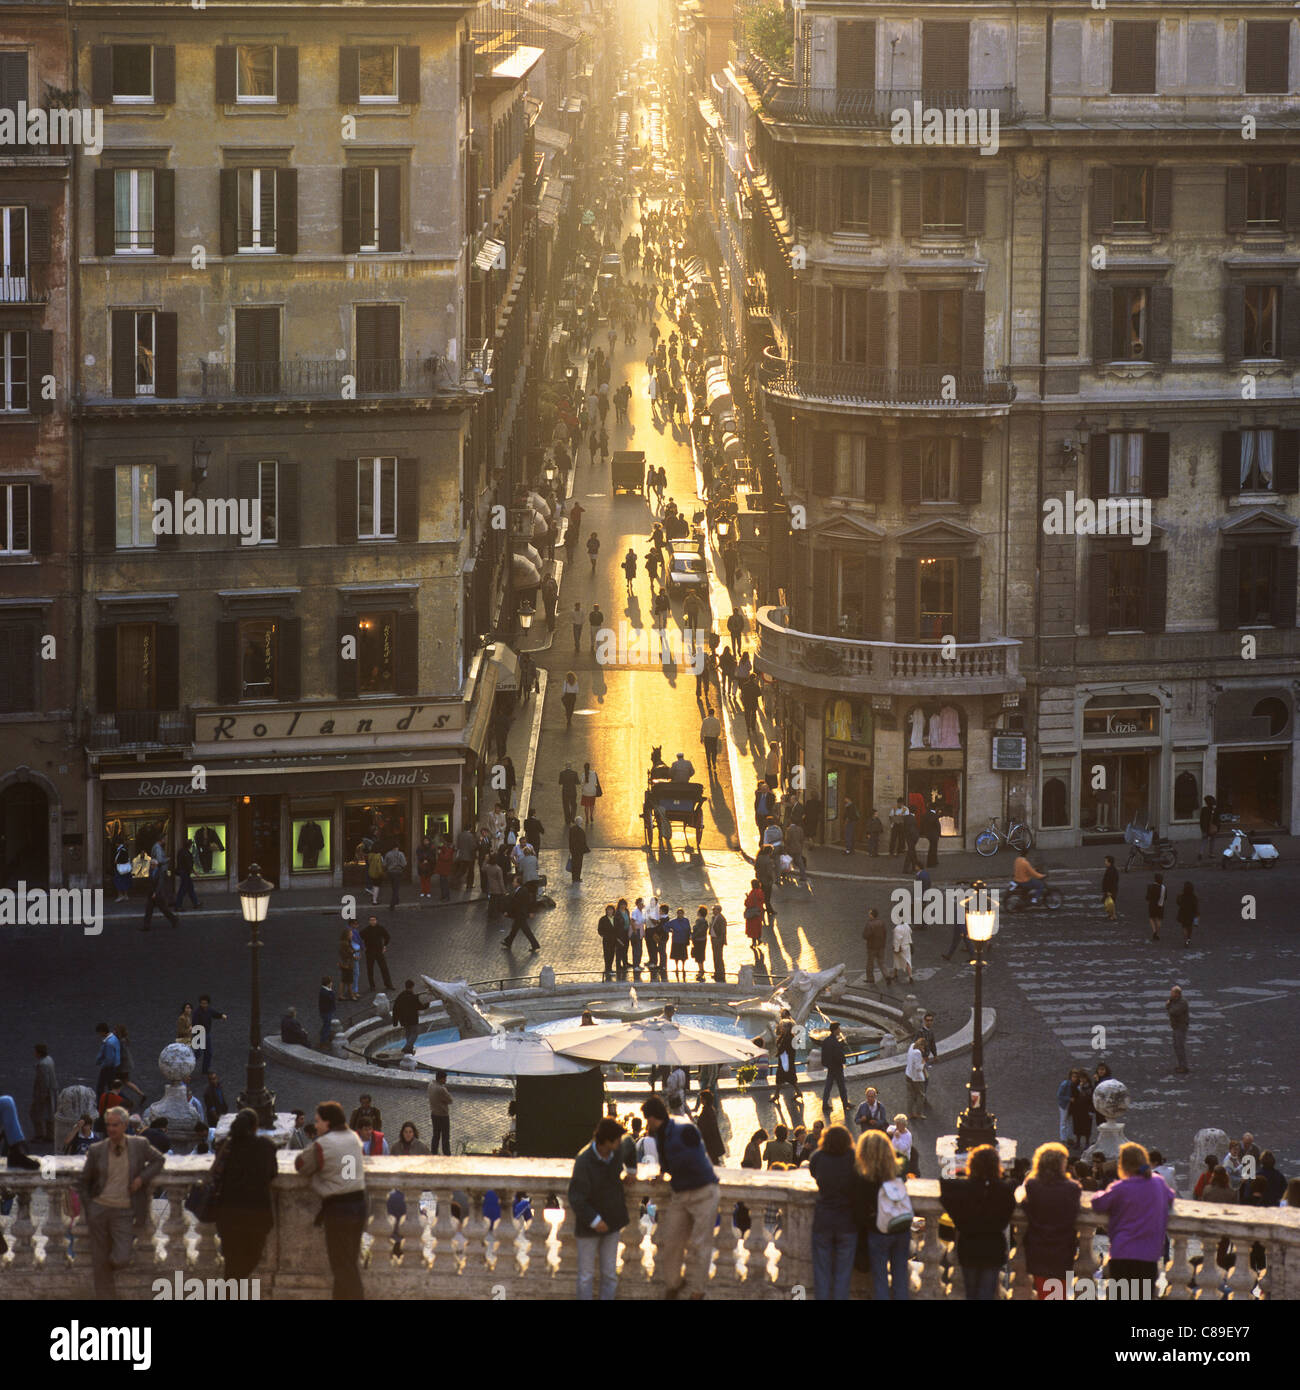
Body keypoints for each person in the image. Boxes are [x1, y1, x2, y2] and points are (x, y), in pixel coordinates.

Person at [78, 1106, 167, 1299]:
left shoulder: (139, 1145)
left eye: (115, 1125)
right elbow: (84, 1181)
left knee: (122, 1257)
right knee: (99, 1260)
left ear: (125, 1125)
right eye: (108, 1125)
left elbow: (159, 1161)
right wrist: (90, 1207)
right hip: (100, 1210)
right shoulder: (97, 1149)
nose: (111, 1129)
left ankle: (106, 1274)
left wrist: (141, 1179)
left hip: (125, 1211)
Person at [641, 1095, 719, 1300]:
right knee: (671, 1240)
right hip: (681, 1192)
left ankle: (698, 1291)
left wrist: (671, 1169)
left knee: (700, 1243)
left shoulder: (684, 1128)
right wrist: (661, 1173)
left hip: (704, 1192)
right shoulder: (660, 1133)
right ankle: (674, 1283)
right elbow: (668, 1161)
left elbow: (694, 1157)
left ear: (650, 1118)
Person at [293, 1101, 367, 1300]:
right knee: (349, 1262)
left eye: (318, 1121)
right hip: (359, 1205)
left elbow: (301, 1165)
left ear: (327, 1122)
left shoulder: (324, 1143)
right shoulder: (354, 1138)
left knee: (342, 1267)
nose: (315, 1125)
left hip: (339, 1210)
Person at [1089, 1141, 1175, 1299]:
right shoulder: (1158, 1182)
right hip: (1149, 1256)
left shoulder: (1121, 1187)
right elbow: (1171, 1197)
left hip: (1123, 1254)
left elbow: (1097, 1203)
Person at [939, 1144, 1017, 1300]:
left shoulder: (963, 1188)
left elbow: (943, 1182)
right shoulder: (1004, 1189)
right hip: (993, 1247)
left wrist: (960, 1172)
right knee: (986, 1294)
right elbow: (1013, 1183)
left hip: (969, 1247)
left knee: (971, 1293)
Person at [210, 1107, 277, 1280]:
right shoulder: (266, 1146)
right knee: (249, 1260)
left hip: (228, 1212)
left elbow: (216, 1174)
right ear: (256, 1126)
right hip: (256, 1214)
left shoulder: (224, 1146)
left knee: (232, 1261)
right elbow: (272, 1173)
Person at [568, 1117, 629, 1301]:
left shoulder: (618, 1150)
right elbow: (576, 1198)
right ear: (607, 1141)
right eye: (617, 1139)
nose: (620, 1142)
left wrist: (632, 1170)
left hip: (612, 1222)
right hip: (589, 1226)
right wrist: (595, 1220)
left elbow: (630, 1146)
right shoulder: (584, 1161)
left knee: (609, 1274)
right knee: (586, 1276)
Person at [853, 1128, 911, 1301]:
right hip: (901, 1228)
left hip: (878, 1232)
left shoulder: (863, 1178)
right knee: (901, 1278)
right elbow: (904, 1159)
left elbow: (860, 1212)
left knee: (880, 1280)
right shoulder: (897, 1172)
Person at [1019, 1141, 1082, 1298]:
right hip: (1063, 1248)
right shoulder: (1072, 1188)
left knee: (1043, 1292)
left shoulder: (1032, 1186)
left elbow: (1025, 1206)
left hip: (1038, 1246)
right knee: (1058, 1292)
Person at [809, 1124, 857, 1301]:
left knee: (821, 1273)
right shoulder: (853, 1157)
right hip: (847, 1222)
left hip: (823, 1219)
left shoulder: (818, 1157)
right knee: (843, 1274)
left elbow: (813, 1173)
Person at [819, 1021, 849, 1118]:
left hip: (831, 1067)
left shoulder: (827, 1040)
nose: (840, 1030)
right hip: (836, 1067)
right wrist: (843, 1060)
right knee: (841, 1086)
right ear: (835, 1030)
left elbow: (823, 1054)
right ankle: (845, 1104)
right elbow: (837, 1055)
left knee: (828, 1086)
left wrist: (826, 1064)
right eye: (839, 1029)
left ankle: (825, 1104)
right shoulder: (834, 1041)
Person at [30, 1042, 57, 1145]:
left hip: (44, 1093)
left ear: (38, 1053)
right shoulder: (49, 1059)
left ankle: (39, 1134)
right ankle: (50, 1135)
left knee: (35, 1113)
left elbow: (44, 1082)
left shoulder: (42, 1065)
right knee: (50, 1114)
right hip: (51, 1091)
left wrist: (42, 1096)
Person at [361, 915, 394, 992]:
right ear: (369, 921)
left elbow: (387, 937)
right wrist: (363, 947)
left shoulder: (380, 928)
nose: (372, 921)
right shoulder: (366, 930)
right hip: (370, 952)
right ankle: (372, 986)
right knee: (370, 969)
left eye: (374, 920)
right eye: (371, 920)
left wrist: (385, 946)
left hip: (379, 951)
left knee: (384, 968)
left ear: (376, 921)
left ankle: (388, 984)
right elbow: (359, 938)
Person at [695, 1089, 726, 1166]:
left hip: (709, 1143)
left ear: (705, 1100)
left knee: (712, 1162)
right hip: (711, 1142)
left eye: (702, 1098)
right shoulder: (709, 1109)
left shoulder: (707, 1111)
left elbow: (705, 1127)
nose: (701, 1100)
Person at [392, 979, 422, 1054]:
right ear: (412, 987)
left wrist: (395, 1021)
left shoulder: (400, 996)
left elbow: (395, 1009)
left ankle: (410, 1049)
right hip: (412, 1019)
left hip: (403, 1019)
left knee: (408, 1033)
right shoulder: (413, 996)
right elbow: (420, 1006)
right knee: (414, 1033)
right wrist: (428, 1004)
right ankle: (407, 1047)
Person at [427, 1070, 453, 1156]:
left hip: (434, 1114)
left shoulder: (431, 1085)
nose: (446, 1080)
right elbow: (450, 1100)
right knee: (445, 1137)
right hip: (443, 1115)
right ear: (441, 1079)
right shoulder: (441, 1089)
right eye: (445, 1079)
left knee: (436, 1135)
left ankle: (434, 1152)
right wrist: (446, 1090)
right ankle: (447, 1154)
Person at [1166, 985, 1190, 1073]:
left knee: (1180, 1046)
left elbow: (1173, 1012)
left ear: (1176, 994)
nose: (1170, 994)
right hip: (1176, 1026)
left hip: (1180, 1027)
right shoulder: (1175, 1001)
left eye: (1172, 992)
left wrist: (1168, 1005)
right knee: (1176, 1046)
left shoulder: (1182, 1002)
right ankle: (1181, 1065)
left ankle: (1183, 1066)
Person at [863, 908, 889, 985]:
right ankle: (887, 975)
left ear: (872, 915)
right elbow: (885, 933)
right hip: (881, 946)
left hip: (872, 947)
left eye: (869, 914)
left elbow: (865, 935)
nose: (869, 915)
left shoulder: (869, 924)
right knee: (882, 962)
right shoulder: (882, 922)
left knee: (870, 963)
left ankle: (870, 978)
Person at [905, 1037, 929, 1119]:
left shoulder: (911, 1046)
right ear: (921, 1045)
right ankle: (919, 1113)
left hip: (908, 1074)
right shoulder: (917, 1052)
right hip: (916, 1078)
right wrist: (923, 1061)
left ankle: (910, 1113)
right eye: (923, 1047)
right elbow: (918, 1068)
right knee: (920, 1095)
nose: (923, 1049)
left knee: (910, 1095)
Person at [890, 917, 914, 986]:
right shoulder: (907, 925)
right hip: (907, 946)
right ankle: (910, 976)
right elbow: (910, 932)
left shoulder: (897, 929)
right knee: (907, 961)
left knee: (897, 960)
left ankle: (896, 975)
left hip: (900, 947)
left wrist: (896, 949)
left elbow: (897, 940)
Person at [708, 904, 727, 982]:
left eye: (714, 909)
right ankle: (717, 973)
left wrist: (721, 940)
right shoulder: (714, 917)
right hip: (713, 939)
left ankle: (721, 974)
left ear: (718, 910)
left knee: (719, 957)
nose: (713, 911)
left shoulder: (721, 919)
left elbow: (723, 931)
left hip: (718, 940)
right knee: (715, 957)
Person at [1198, 795, 1219, 863]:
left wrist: (1202, 828)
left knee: (1204, 841)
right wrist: (1218, 828)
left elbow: (1201, 820)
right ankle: (1211, 853)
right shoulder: (1214, 810)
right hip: (1212, 828)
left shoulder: (1204, 809)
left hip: (1205, 828)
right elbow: (1217, 820)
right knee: (1212, 841)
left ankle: (1201, 853)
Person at [1146, 873, 1167, 942]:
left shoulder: (1150, 886)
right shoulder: (1164, 888)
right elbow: (1165, 897)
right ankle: (1157, 933)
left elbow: (1148, 897)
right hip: (1160, 905)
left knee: (1151, 918)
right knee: (1159, 920)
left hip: (1152, 905)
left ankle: (1154, 930)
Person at [317, 976, 336, 1051]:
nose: (332, 983)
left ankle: (324, 1036)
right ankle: (323, 1042)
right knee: (327, 1026)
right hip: (326, 1012)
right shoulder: (326, 992)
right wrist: (331, 991)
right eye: (331, 982)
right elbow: (332, 998)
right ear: (328, 984)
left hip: (325, 1011)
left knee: (326, 1025)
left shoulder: (323, 990)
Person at [1176, 881, 1198, 947]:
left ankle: (1186, 940)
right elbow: (1195, 906)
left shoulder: (1181, 896)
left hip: (1183, 913)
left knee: (1184, 926)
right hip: (1191, 914)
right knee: (1190, 927)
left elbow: (1178, 903)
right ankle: (1188, 939)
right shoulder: (1194, 897)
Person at [568, 815, 589, 884]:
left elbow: (570, 840)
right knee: (579, 864)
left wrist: (570, 848)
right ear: (580, 822)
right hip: (579, 851)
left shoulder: (571, 829)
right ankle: (577, 877)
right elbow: (583, 842)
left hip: (573, 850)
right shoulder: (581, 831)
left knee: (574, 864)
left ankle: (574, 877)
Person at [1102, 855, 1119, 921]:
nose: (1105, 862)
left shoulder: (1111, 870)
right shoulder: (1111, 869)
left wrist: (1109, 891)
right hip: (1110, 890)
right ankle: (1111, 915)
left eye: (1106, 861)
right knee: (1109, 902)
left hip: (1110, 890)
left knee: (1111, 903)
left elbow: (1111, 882)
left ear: (1109, 862)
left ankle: (1113, 915)